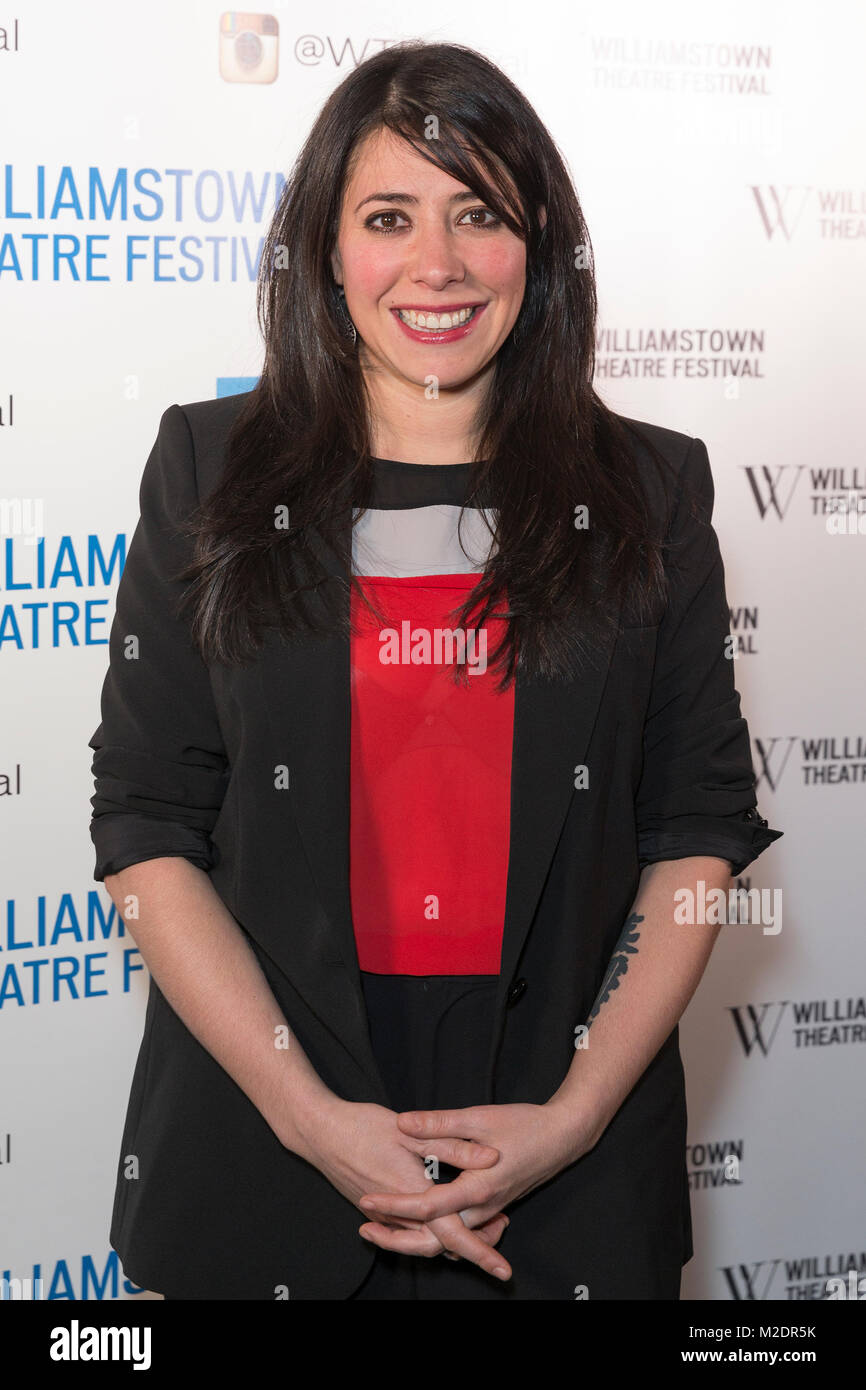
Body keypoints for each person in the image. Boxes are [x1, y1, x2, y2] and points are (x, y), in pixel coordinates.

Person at [88, 39, 783, 1300]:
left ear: (541, 245)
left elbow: (696, 833)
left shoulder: (648, 491)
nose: (436, 264)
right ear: (326, 247)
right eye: (388, 216)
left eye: (478, 214)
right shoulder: (207, 470)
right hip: (262, 1176)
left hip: (564, 1194)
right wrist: (310, 1118)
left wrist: (569, 1119)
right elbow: (145, 824)